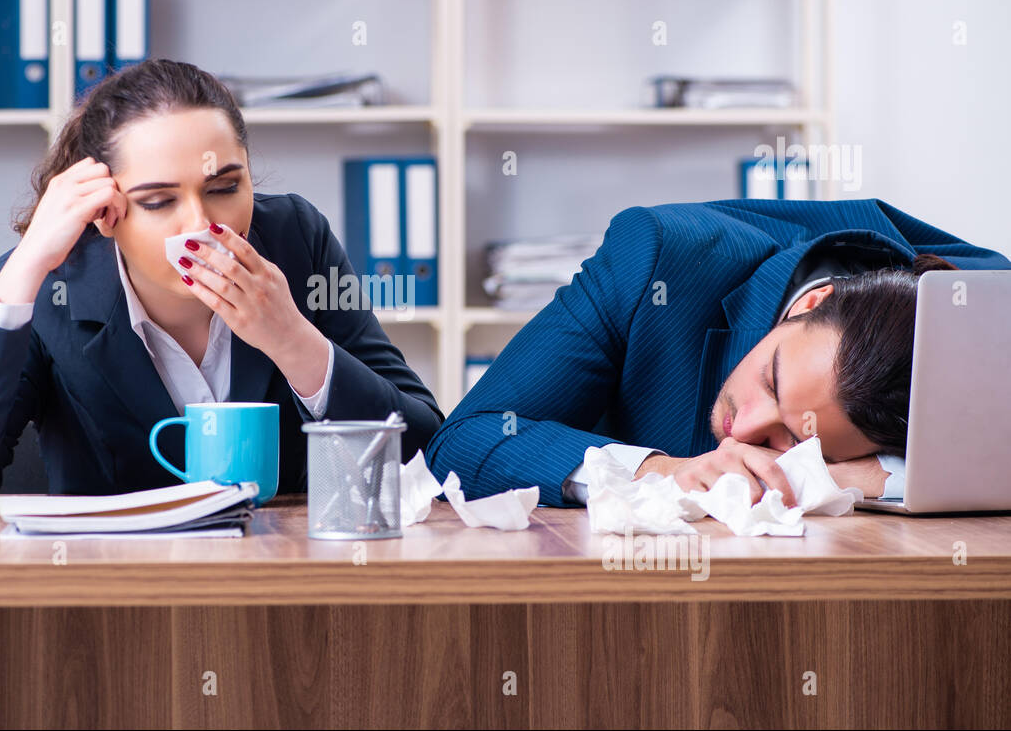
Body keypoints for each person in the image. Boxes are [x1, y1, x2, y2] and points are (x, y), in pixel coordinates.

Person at [0, 58, 442, 510]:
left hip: (286, 587)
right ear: (106, 212)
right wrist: (24, 269)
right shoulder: (45, 285)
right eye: (158, 201)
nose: (201, 226)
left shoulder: (295, 240)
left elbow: (422, 450)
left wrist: (292, 340)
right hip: (116, 599)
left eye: (225, 187)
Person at [425, 198, 1010, 507]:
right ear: (810, 304)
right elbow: (463, 439)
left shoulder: (980, 317)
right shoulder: (652, 260)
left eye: (797, 440)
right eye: (773, 382)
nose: (747, 427)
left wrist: (867, 478)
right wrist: (660, 471)